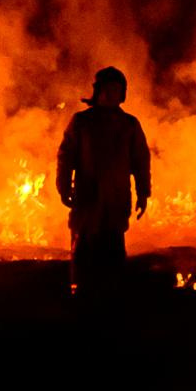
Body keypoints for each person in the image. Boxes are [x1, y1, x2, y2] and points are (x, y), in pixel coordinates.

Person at [55, 67, 152, 296]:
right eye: (107, 89)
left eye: (116, 90)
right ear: (97, 92)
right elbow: (66, 155)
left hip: (116, 201)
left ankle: (113, 298)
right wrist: (63, 185)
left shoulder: (129, 125)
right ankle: (78, 296)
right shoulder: (81, 122)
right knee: (83, 249)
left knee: (113, 250)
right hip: (87, 199)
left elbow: (140, 160)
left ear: (123, 94)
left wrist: (143, 192)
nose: (111, 94)